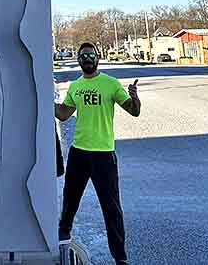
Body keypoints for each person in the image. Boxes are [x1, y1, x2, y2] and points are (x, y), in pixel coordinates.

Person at [55, 42, 141, 265]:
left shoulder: (110, 84)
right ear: (78, 60)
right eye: (83, 56)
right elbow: (64, 114)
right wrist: (46, 100)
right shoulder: (75, 86)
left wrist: (135, 98)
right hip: (79, 153)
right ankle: (63, 236)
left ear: (98, 58)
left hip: (104, 155)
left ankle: (120, 258)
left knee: (111, 208)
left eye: (91, 55)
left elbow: (133, 111)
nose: (87, 58)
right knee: (70, 200)